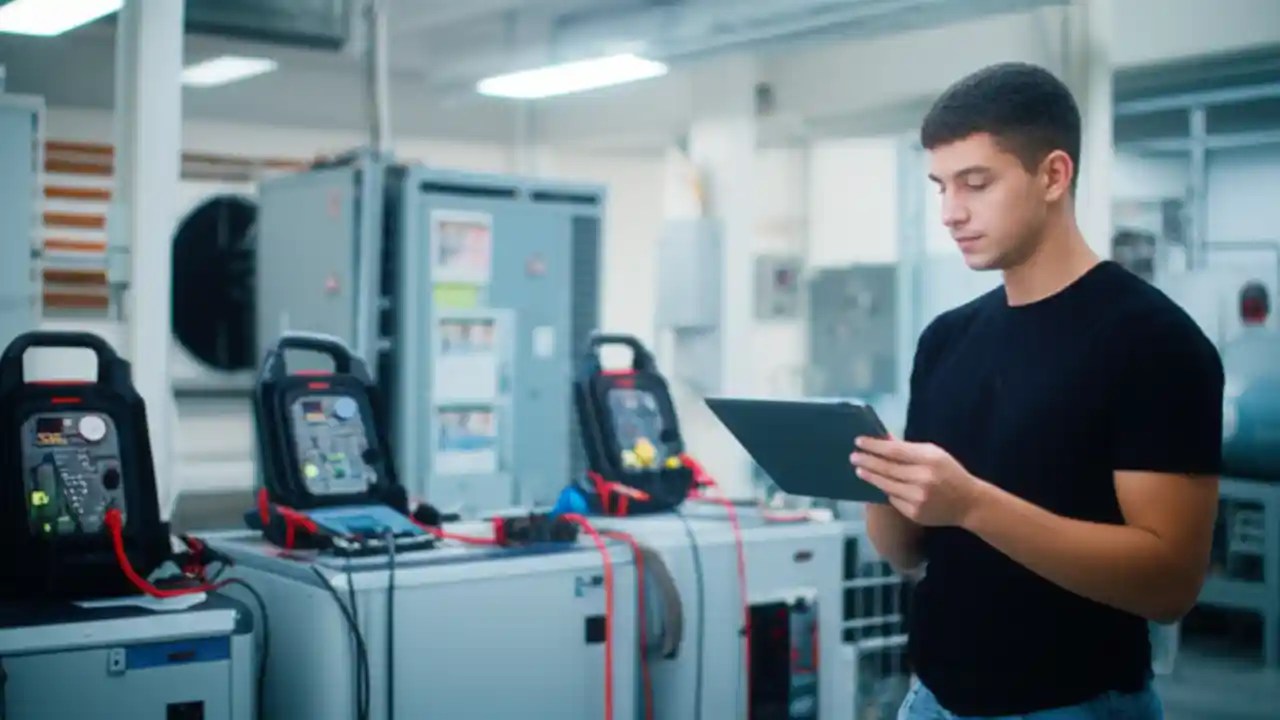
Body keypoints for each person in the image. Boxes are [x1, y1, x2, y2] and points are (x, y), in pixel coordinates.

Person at [850, 62, 1224, 719]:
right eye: (940, 187)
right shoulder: (946, 338)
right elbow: (910, 552)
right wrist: (876, 481)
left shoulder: (1153, 341)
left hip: (1073, 705)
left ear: (1053, 175)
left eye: (976, 183)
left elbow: (1169, 584)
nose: (950, 213)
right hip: (931, 699)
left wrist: (971, 504)